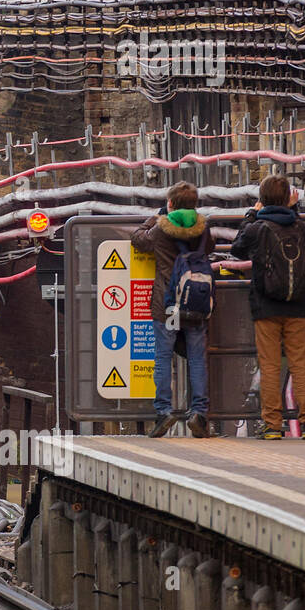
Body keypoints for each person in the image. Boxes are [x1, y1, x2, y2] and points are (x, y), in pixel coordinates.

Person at [230, 174, 305, 440]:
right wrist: (292, 210)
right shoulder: (296, 226)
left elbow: (237, 249)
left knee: (270, 366)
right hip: (296, 305)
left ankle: (271, 425)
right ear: (287, 198)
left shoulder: (257, 228)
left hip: (265, 304)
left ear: (263, 199)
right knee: (300, 365)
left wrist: (252, 213)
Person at [131, 181, 214, 438]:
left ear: (170, 204)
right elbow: (209, 249)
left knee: (164, 356)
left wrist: (153, 219)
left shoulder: (161, 229)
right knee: (198, 357)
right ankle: (199, 412)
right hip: (197, 304)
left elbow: (138, 240)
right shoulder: (203, 228)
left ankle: (164, 411)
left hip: (170, 306)